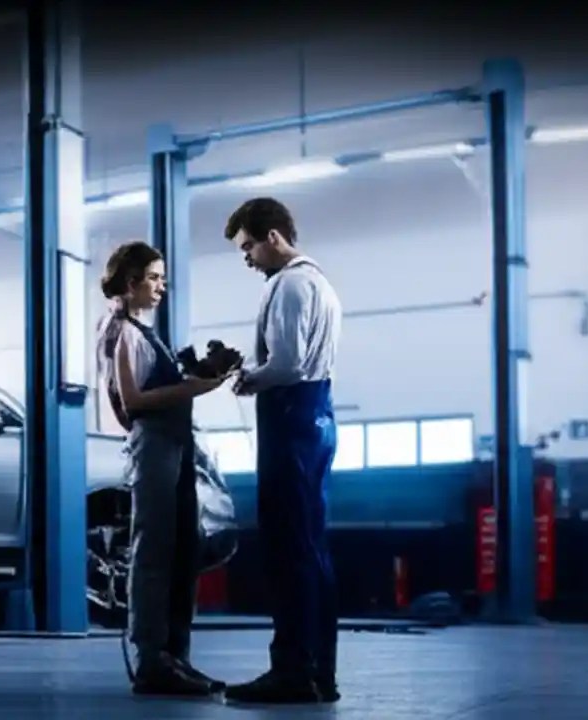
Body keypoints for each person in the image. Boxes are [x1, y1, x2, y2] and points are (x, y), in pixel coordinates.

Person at [219, 198, 343, 705]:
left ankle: (292, 672)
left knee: (289, 549)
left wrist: (245, 377)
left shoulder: (289, 284)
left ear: (273, 237)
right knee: (311, 549)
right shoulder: (321, 284)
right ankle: (318, 673)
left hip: (290, 417)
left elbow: (287, 363)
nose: (246, 257)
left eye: (248, 246)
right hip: (314, 416)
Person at [94, 240, 229, 696]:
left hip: (175, 444)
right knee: (153, 553)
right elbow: (132, 401)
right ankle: (151, 658)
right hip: (153, 444)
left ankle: (176, 656)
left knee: (180, 550)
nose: (161, 286)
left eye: (163, 278)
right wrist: (198, 387)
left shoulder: (145, 332)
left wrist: (203, 371)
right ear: (130, 283)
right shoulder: (122, 333)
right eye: (153, 277)